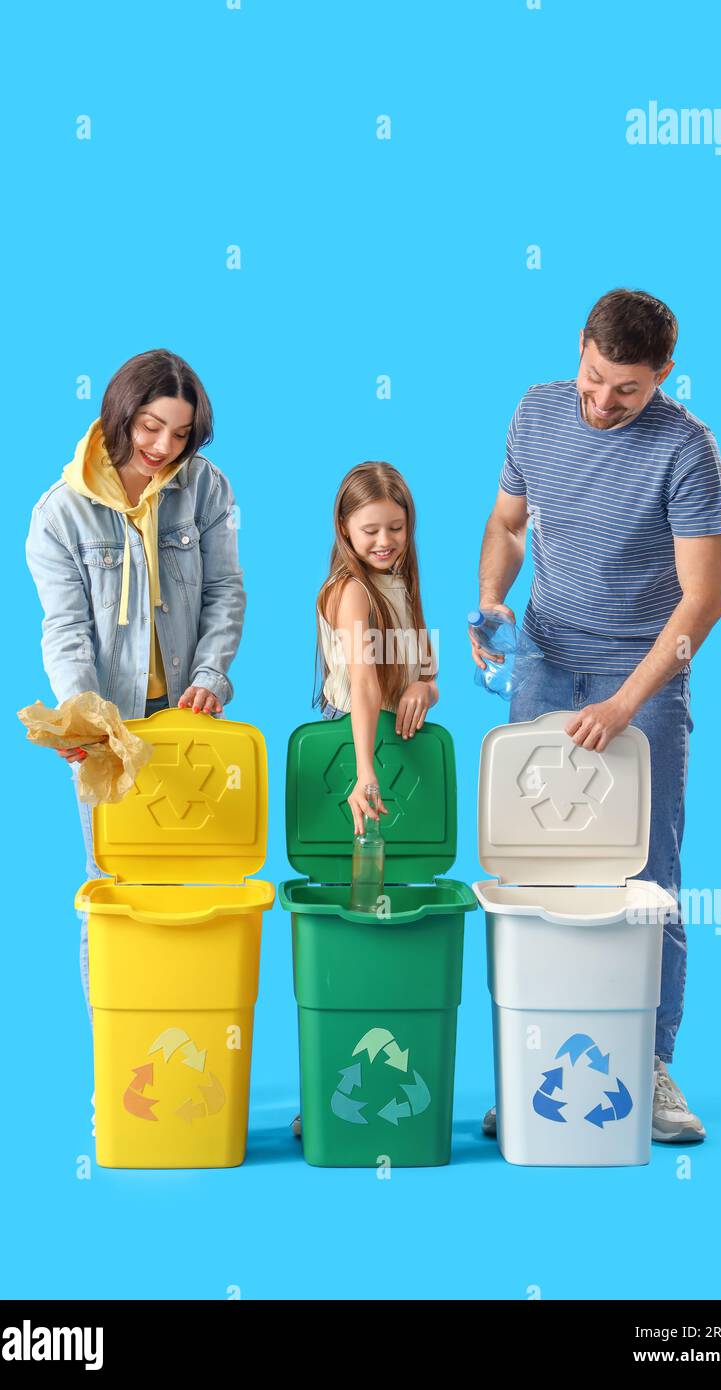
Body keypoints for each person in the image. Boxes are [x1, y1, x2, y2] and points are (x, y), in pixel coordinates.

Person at [471, 289, 721, 1144]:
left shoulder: (688, 451)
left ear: (663, 375)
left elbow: (703, 603)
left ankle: (647, 1065)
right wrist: (493, 601)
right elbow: (508, 524)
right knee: (535, 874)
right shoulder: (538, 412)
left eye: (626, 389)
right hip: (544, 661)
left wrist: (627, 701)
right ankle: (538, 1064)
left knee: (646, 878)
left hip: (642, 674)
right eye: (593, 378)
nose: (602, 402)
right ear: (578, 347)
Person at [26, 349, 246, 1051]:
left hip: (188, 724)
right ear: (119, 413)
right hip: (111, 733)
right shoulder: (58, 515)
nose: (162, 448)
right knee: (114, 895)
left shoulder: (206, 490)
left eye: (180, 434)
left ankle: (195, 1045)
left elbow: (224, 592)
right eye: (152, 427)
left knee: (194, 890)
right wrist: (87, 721)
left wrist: (212, 674)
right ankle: (122, 1063)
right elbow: (65, 632)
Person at [291, 461, 439, 1136]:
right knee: (352, 909)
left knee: (393, 906)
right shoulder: (351, 592)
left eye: (397, 528)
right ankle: (328, 1089)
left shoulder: (400, 582)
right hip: (351, 758)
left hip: (394, 758)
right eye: (371, 529)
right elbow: (362, 685)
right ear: (344, 529)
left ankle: (387, 1066)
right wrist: (367, 771)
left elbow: (424, 673)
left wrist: (423, 690)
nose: (386, 541)